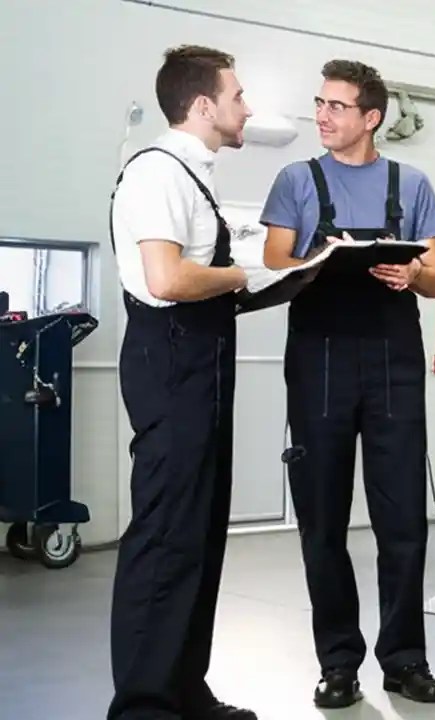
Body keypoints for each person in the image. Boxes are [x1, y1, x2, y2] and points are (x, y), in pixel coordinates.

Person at [259, 58, 435, 709]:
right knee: (322, 520)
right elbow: (274, 260)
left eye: (336, 106)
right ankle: (338, 662)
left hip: (394, 362)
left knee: (403, 522)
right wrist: (325, 256)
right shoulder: (296, 180)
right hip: (320, 358)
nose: (322, 115)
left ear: (371, 117)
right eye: (319, 103)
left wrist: (411, 276)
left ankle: (405, 659)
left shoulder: (412, 182)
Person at [106, 45, 256, 720]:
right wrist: (243, 275)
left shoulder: (195, 173)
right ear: (204, 106)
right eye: (237, 95)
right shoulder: (157, 173)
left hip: (201, 361)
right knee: (167, 535)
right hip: (170, 360)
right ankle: (143, 708)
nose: (245, 107)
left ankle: (183, 690)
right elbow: (167, 279)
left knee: (198, 533)